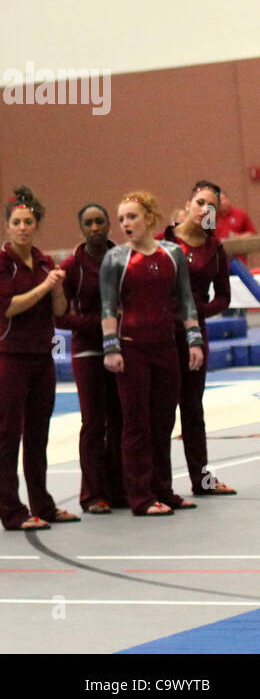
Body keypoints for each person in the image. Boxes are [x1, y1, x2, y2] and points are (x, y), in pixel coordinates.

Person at [101, 191, 204, 516]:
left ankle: (163, 488)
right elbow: (108, 307)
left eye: (131, 217)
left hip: (166, 347)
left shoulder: (173, 253)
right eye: (121, 219)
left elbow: (185, 300)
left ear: (148, 217)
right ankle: (141, 496)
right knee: (137, 423)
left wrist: (193, 339)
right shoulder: (116, 258)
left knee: (163, 420)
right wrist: (111, 347)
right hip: (132, 349)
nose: (125, 224)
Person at [0, 186, 77, 531]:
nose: (23, 227)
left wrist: (56, 289)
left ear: (36, 225)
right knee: (8, 435)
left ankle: (43, 503)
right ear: (8, 227)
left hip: (42, 359)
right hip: (12, 360)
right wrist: (42, 288)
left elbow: (58, 312)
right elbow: (8, 307)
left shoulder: (44, 261)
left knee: (39, 435)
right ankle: (11, 510)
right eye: (17, 222)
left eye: (28, 221)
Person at [162, 181, 235, 496]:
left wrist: (196, 312)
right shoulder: (163, 241)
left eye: (212, 206)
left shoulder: (214, 248)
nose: (205, 209)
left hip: (194, 336)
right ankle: (157, 485)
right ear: (188, 203)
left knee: (192, 409)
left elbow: (224, 298)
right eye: (200, 202)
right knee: (161, 410)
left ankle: (201, 480)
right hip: (161, 334)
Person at [57, 203, 123, 513]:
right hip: (87, 352)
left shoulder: (124, 258)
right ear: (81, 229)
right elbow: (59, 316)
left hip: (123, 349)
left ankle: (121, 488)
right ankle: (93, 493)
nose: (95, 227)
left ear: (109, 224)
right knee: (94, 423)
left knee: (121, 420)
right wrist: (98, 322)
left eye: (100, 221)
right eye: (88, 223)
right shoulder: (72, 266)